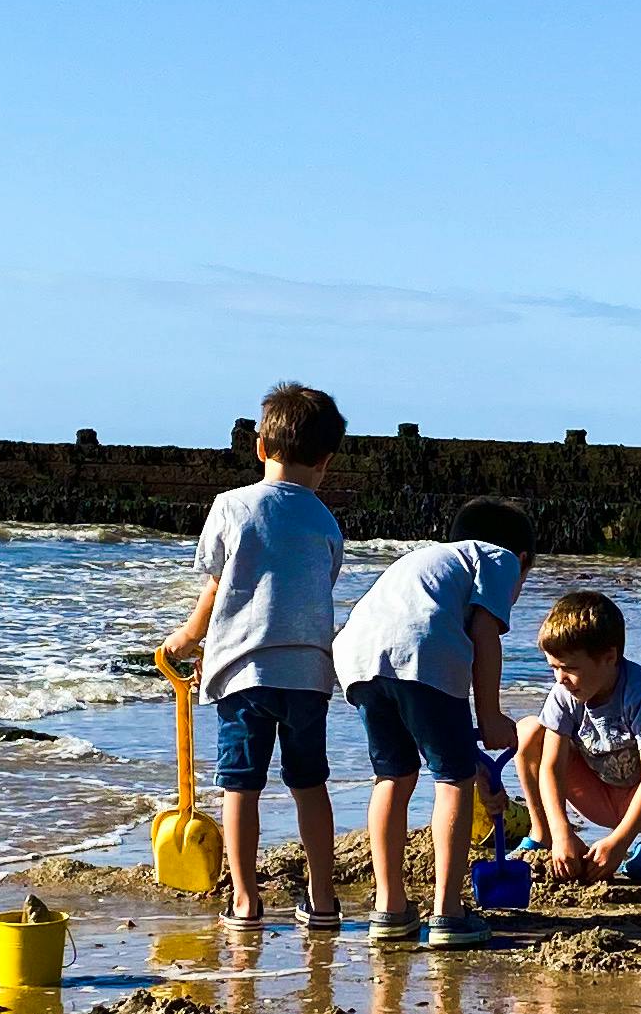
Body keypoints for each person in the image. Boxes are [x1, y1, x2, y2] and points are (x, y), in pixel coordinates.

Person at [157, 383, 348, 929]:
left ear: (260, 447)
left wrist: (189, 640)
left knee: (240, 785)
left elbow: (217, 589)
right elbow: (313, 590)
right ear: (326, 461)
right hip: (309, 674)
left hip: (244, 673)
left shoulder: (232, 506)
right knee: (309, 783)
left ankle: (244, 900)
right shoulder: (325, 522)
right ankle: (323, 898)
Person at [330, 496, 535, 948]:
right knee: (452, 782)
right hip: (420, 651)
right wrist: (491, 717)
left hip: (358, 658)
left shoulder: (428, 561)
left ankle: (390, 908)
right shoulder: (499, 559)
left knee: (393, 776)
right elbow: (484, 634)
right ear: (522, 561)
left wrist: (479, 764)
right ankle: (448, 911)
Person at [514, 586, 641, 884]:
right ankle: (543, 833)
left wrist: (619, 843)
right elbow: (550, 767)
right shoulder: (564, 693)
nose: (560, 679)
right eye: (553, 667)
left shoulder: (639, 691)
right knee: (528, 732)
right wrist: (563, 830)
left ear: (609, 658)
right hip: (594, 792)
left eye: (569, 668)